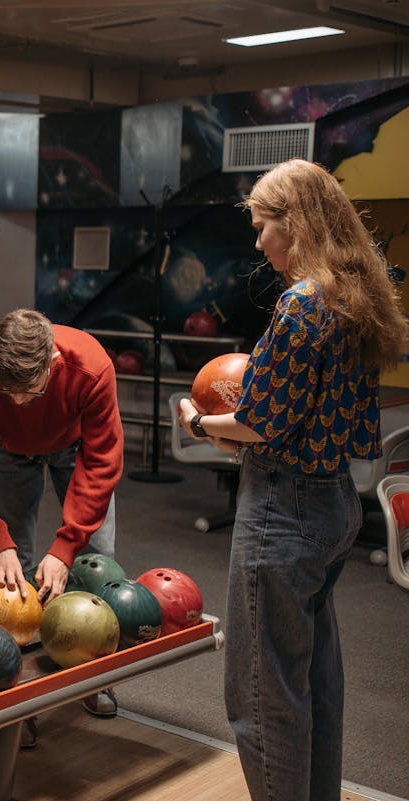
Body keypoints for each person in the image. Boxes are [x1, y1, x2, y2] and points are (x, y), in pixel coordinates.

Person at [177, 158, 406, 801]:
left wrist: (200, 421)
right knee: (314, 681)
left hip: (285, 509)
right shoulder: (354, 293)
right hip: (335, 503)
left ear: (295, 224)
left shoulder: (301, 304)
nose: (257, 243)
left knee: (260, 691)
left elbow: (261, 422)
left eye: (261, 227)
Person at [0, 308, 124, 723]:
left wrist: (67, 544)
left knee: (97, 564)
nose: (19, 401)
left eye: (31, 393)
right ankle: (13, 699)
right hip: (6, 447)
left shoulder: (90, 366)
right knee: (9, 572)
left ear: (53, 362)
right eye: (9, 394)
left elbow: (102, 463)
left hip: (75, 446)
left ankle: (95, 679)